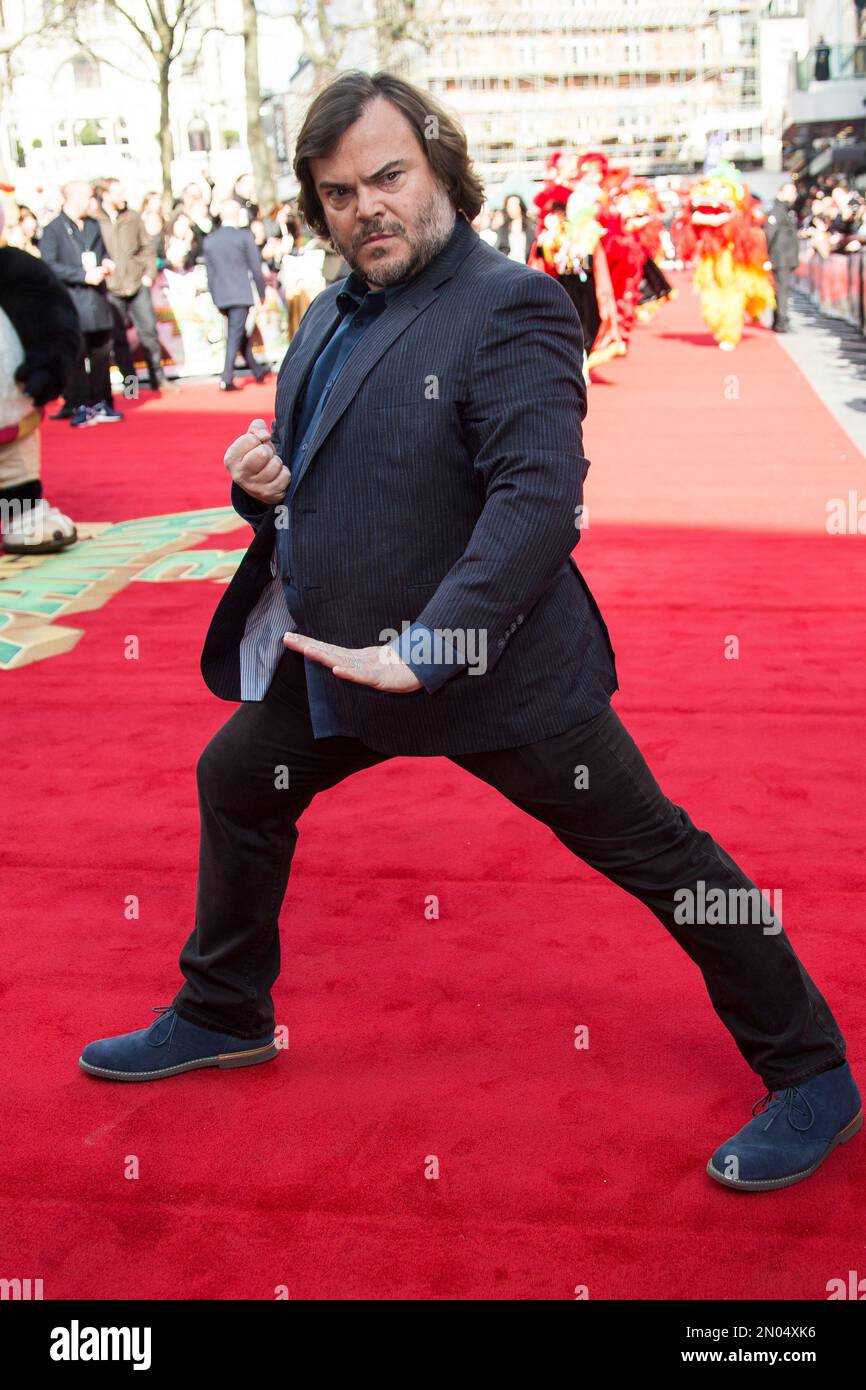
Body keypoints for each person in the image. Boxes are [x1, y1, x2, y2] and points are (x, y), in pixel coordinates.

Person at [79, 71, 860, 1196]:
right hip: (342, 665)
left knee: (663, 859)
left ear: (440, 167)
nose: (366, 208)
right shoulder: (328, 313)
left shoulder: (512, 305)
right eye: (338, 191)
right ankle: (222, 1008)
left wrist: (431, 648)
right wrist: (264, 487)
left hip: (496, 674)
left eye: (388, 176)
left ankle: (813, 1071)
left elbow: (535, 501)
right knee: (239, 779)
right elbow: (327, 478)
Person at [0, 207, 81, 553]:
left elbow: (54, 317)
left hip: (11, 404)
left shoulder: (14, 269)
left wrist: (48, 368)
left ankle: (23, 515)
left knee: (14, 469)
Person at [38, 180, 122, 426]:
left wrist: (107, 263)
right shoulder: (53, 229)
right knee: (76, 356)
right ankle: (79, 404)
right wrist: (82, 275)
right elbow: (49, 264)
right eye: (88, 197)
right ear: (73, 198)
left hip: (97, 300)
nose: (92, 202)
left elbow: (102, 253)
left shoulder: (94, 225)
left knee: (101, 353)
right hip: (72, 302)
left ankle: (102, 402)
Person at [96, 178, 169, 393]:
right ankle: (131, 387)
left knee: (149, 333)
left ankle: (158, 379)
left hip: (137, 284)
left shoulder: (133, 216)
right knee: (119, 341)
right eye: (117, 193)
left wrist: (149, 274)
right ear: (106, 195)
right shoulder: (95, 220)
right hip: (111, 288)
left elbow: (146, 247)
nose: (123, 197)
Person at [202, 199, 269, 391]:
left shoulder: (210, 241)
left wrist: (215, 297)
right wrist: (262, 292)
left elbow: (210, 273)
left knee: (238, 334)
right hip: (240, 294)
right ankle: (227, 377)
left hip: (221, 296)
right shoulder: (244, 237)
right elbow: (256, 268)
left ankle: (257, 370)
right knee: (235, 335)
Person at [765, 181, 801, 333]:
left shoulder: (786, 210)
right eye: (790, 192)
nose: (794, 196)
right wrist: (766, 256)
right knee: (782, 290)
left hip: (785, 257)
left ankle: (779, 320)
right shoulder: (777, 211)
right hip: (780, 258)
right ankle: (781, 321)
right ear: (780, 193)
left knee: (781, 290)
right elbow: (769, 234)